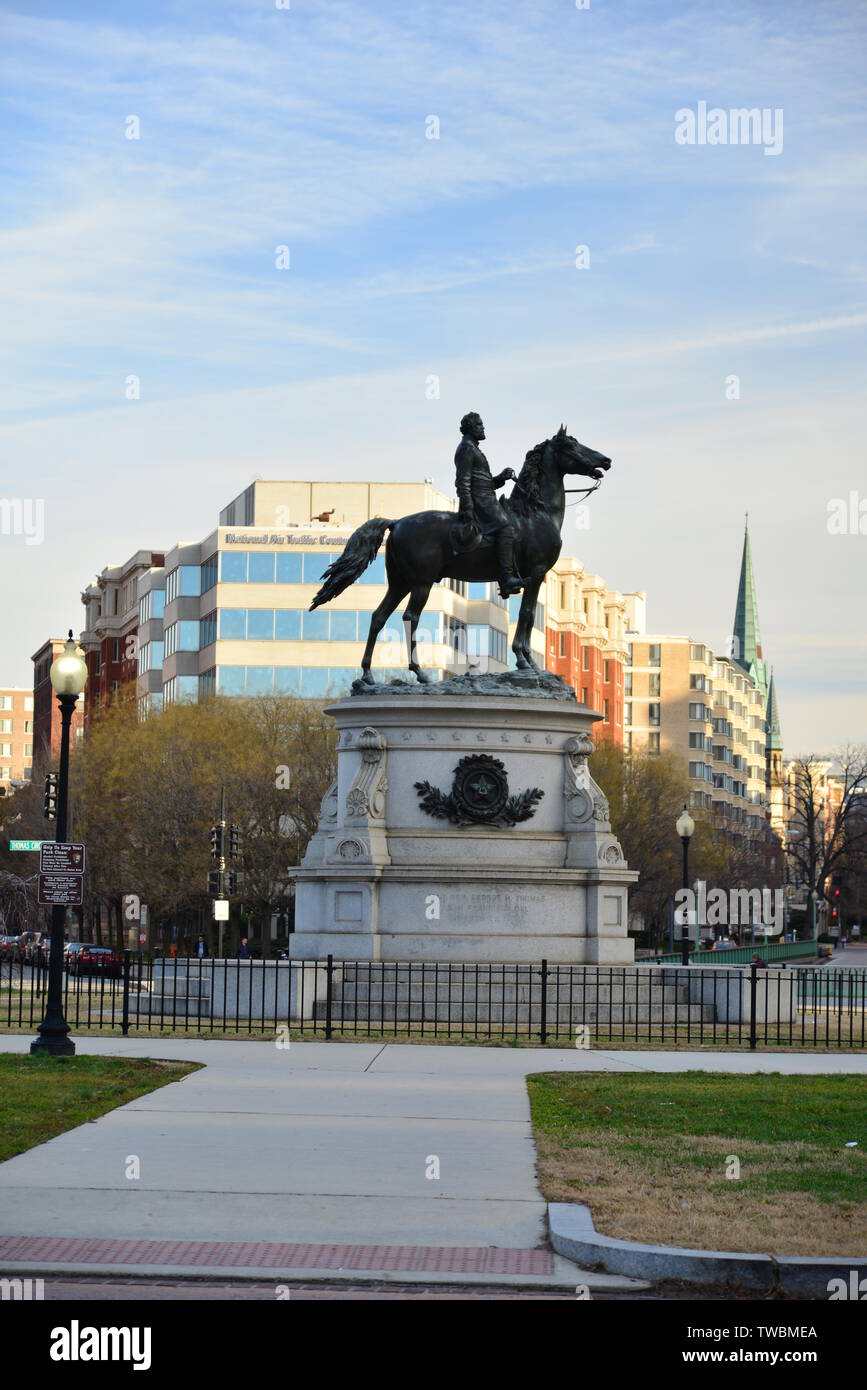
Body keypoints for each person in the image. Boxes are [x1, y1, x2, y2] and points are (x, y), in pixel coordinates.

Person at [454, 412, 526, 598]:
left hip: (486, 497)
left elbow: (484, 482)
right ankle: (507, 578)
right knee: (506, 527)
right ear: (470, 428)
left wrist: (501, 477)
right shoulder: (467, 449)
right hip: (480, 501)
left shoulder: (473, 449)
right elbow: (463, 481)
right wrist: (468, 507)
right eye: (479, 425)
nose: (483, 428)